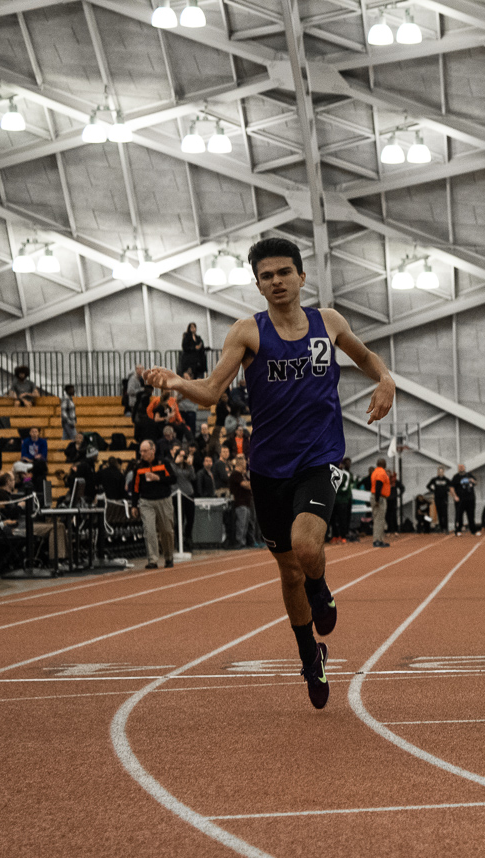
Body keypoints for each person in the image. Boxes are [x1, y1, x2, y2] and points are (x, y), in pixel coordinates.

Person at [141, 236, 395, 709]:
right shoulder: (247, 332)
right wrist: (178, 383)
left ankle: (323, 592)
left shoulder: (329, 322)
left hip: (319, 458)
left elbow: (365, 357)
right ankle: (309, 655)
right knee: (288, 572)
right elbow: (214, 391)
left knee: (306, 547)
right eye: (266, 276)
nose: (276, 281)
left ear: (301, 276)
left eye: (284, 272)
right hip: (268, 469)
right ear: (257, 285)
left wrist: (385, 379)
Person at [131, 438, 177, 569]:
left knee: (166, 531)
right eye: (141, 451)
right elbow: (135, 488)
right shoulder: (138, 467)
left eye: (145, 451)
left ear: (153, 450)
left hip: (164, 500)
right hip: (146, 502)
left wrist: (159, 478)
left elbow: (173, 479)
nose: (142, 454)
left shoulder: (163, 463)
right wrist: (134, 505)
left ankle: (168, 557)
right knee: (149, 530)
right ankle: (153, 560)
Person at [369, 460, 392, 548]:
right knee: (379, 520)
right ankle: (377, 540)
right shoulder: (381, 472)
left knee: (378, 519)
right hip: (379, 497)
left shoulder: (375, 471)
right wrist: (377, 499)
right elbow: (379, 484)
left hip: (376, 496)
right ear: (384, 464)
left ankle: (380, 539)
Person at [330, 457, 354, 542]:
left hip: (342, 501)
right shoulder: (332, 473)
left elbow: (345, 488)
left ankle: (343, 536)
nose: (339, 465)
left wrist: (335, 490)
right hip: (333, 501)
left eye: (340, 464)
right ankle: (335, 535)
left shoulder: (345, 474)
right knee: (333, 519)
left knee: (342, 519)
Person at [451, 463, 479, 535]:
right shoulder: (456, 477)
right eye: (459, 467)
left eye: (462, 467)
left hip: (470, 499)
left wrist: (473, 481)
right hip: (460, 499)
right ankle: (458, 530)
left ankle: (473, 530)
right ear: (458, 468)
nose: (461, 468)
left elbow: (476, 483)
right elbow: (451, 488)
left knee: (471, 515)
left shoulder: (469, 475)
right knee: (459, 515)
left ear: (464, 468)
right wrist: (455, 496)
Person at [426, 466, 453, 533]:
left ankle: (446, 528)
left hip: (444, 498)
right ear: (437, 472)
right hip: (437, 498)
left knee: (445, 513)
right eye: (439, 472)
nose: (440, 473)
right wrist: (432, 490)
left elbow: (452, 486)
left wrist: (448, 490)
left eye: (441, 472)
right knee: (439, 513)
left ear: (443, 472)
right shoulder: (434, 479)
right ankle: (441, 527)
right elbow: (428, 486)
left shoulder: (446, 479)